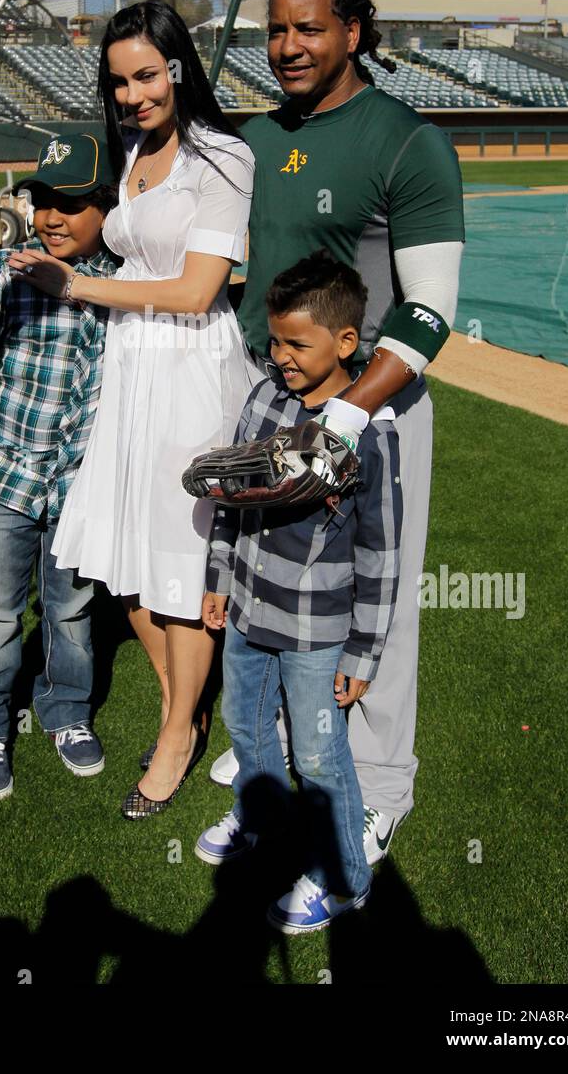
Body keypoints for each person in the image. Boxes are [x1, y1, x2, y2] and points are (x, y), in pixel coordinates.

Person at [0, 1, 260, 817]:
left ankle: (175, 738)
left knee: (180, 560)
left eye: (147, 75)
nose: (132, 95)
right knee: (123, 555)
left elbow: (196, 290)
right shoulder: (127, 151)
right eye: (119, 81)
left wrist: (75, 288)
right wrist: (0, 265)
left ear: (179, 68)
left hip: (188, 367)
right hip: (124, 369)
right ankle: (180, 708)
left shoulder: (224, 156)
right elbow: (88, 236)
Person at [211, 0, 464, 867]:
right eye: (276, 29)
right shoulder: (254, 136)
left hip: (372, 411)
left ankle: (381, 787)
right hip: (273, 394)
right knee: (276, 579)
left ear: (352, 32)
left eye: (308, 28)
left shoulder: (406, 141)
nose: (287, 45)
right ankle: (285, 744)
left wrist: (346, 416)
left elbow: (428, 311)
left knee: (373, 593)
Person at [196, 248, 402, 933]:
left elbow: (380, 551)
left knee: (317, 754)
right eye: (274, 340)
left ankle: (344, 879)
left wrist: (363, 653)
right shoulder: (264, 399)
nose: (280, 356)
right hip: (247, 606)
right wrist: (218, 576)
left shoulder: (371, 432)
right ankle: (261, 817)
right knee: (246, 723)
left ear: (345, 341)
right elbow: (230, 496)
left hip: (316, 629)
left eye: (296, 344)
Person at [0, 133, 120, 800]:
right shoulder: (6, 272)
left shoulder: (126, 282)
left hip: (78, 487)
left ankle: (65, 710)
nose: (51, 217)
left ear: (107, 206)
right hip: (1, 479)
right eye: (42, 201)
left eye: (72, 203)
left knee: (71, 611)